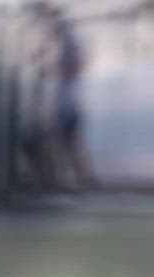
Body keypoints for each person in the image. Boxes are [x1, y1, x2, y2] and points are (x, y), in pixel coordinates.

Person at [49, 14, 96, 192]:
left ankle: (78, 180)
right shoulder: (67, 49)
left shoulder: (70, 48)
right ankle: (80, 179)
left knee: (68, 144)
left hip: (69, 108)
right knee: (69, 144)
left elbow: (73, 65)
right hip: (67, 107)